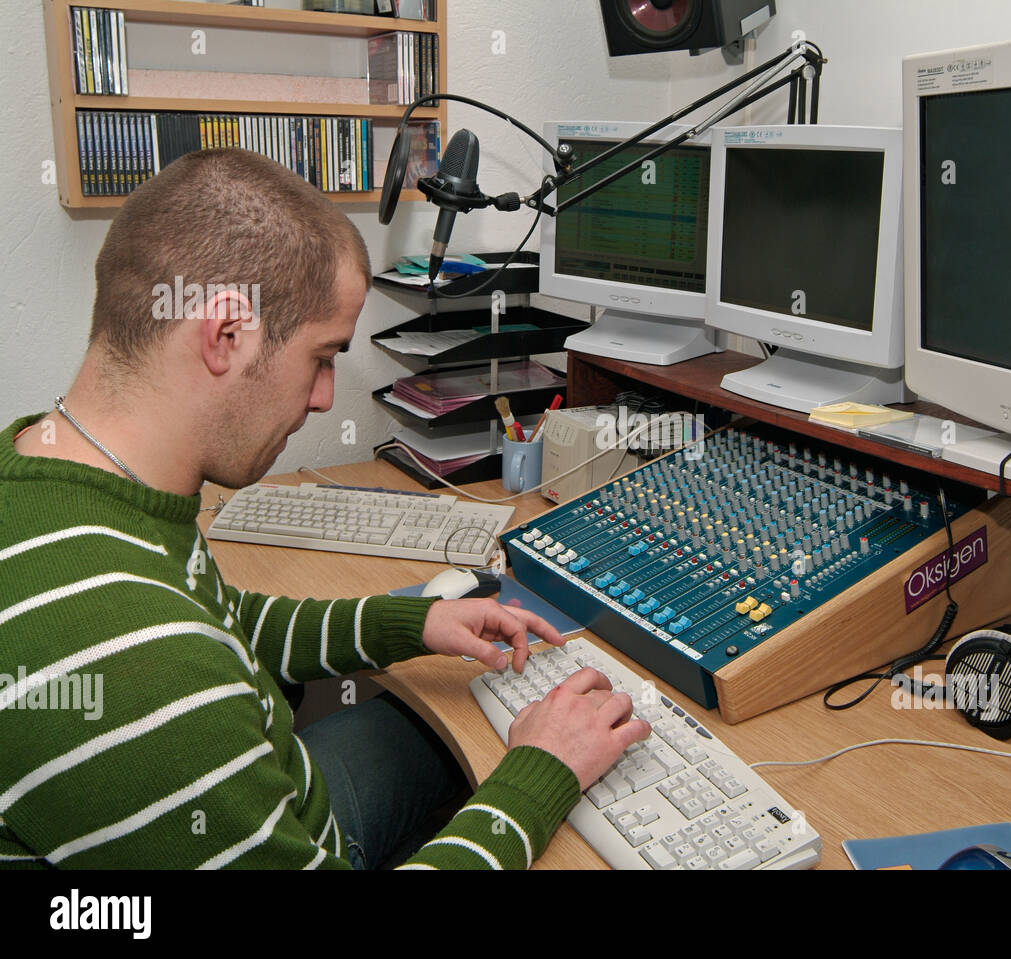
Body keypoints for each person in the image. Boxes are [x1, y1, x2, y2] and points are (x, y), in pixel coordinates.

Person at [0, 148, 649, 869]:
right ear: (224, 337)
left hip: (265, 798)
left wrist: (410, 621)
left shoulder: (45, 464)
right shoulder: (132, 670)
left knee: (441, 731)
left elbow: (221, 624)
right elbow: (174, 663)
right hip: (297, 839)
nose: (322, 398)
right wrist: (540, 776)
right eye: (322, 356)